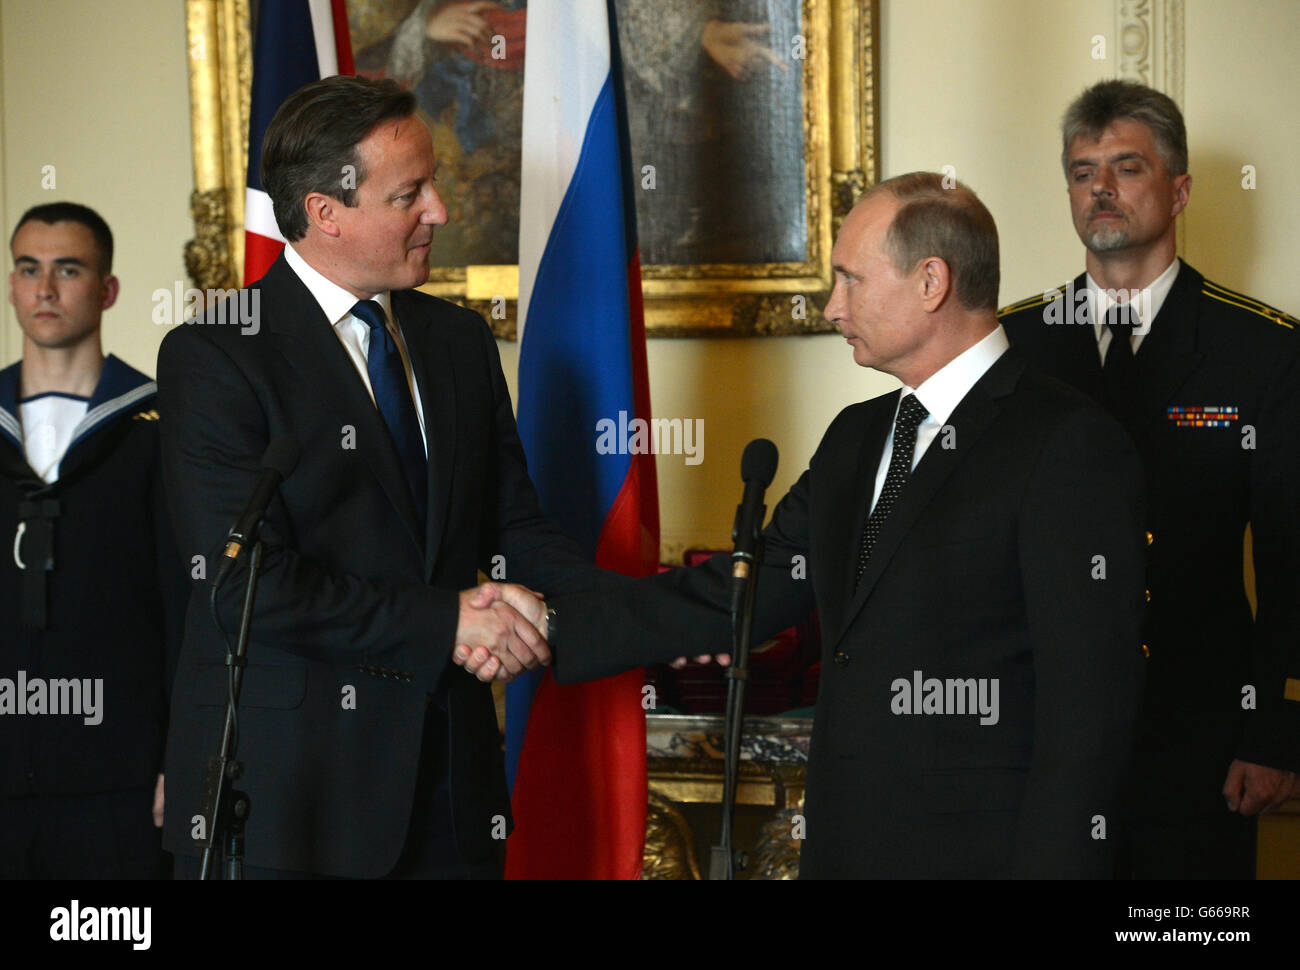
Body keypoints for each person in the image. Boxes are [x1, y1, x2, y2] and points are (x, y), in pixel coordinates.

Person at [467, 172, 1151, 878]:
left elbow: (1089, 715)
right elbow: (741, 596)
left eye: (852, 280)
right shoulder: (858, 436)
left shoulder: (1067, 443)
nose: (831, 306)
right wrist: (554, 624)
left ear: (931, 282)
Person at [157, 75, 598, 880]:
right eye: (411, 193)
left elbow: (516, 529)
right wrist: (449, 624)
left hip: (450, 788)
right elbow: (243, 581)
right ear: (327, 213)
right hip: (293, 796)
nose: (440, 210)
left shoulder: (457, 340)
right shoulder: (218, 352)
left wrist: (649, 621)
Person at [998, 80, 1300, 879]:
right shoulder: (1013, 344)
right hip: (1037, 735)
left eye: (1127, 168)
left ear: (1181, 188)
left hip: (1197, 738)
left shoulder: (1261, 349)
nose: (1100, 188)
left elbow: (1291, 555)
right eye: (1081, 170)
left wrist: (1276, 730)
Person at [1, 202, 185, 878]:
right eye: (29, 269)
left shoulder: (159, 432)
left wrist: (179, 759)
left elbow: (184, 611)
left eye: (67, 270)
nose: (45, 289)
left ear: (107, 290)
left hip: (120, 790)